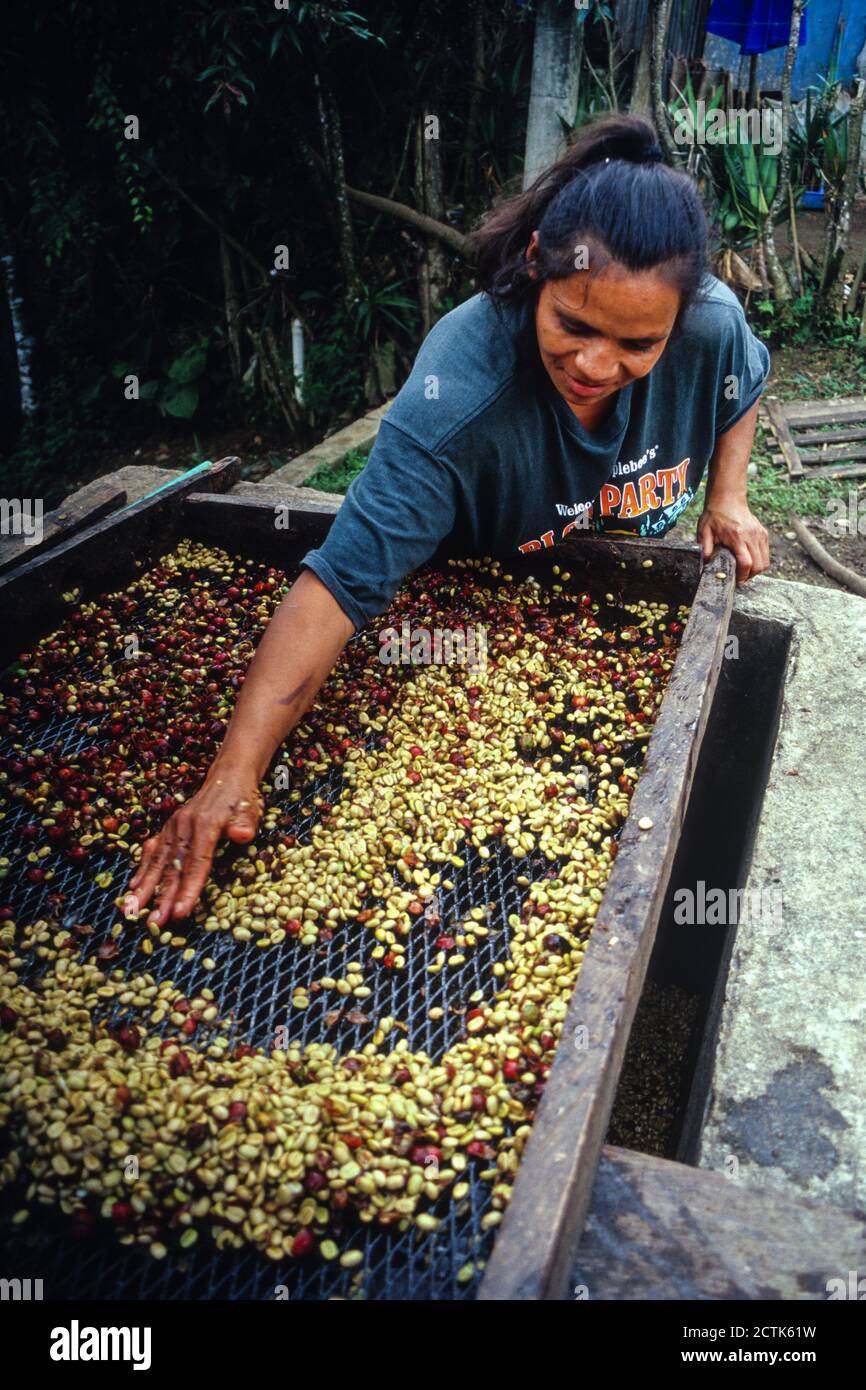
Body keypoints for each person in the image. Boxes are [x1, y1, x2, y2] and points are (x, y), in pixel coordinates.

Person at [127, 113, 770, 926]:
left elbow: (740, 386)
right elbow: (339, 584)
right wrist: (233, 773)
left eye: (638, 345)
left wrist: (728, 496)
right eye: (571, 326)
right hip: (468, 597)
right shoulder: (456, 400)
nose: (596, 367)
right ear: (536, 262)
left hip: (604, 578)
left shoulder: (707, 323)